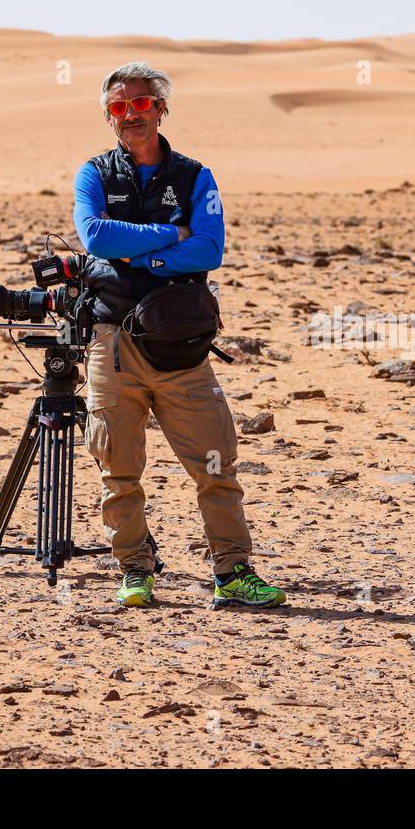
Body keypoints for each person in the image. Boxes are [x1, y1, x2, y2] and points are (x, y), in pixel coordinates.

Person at [72, 61, 286, 609]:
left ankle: (233, 573)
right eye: (119, 107)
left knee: (216, 466)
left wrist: (140, 256)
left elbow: (209, 249)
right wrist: (171, 234)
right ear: (108, 116)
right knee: (118, 470)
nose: (131, 115)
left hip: (181, 348)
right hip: (113, 345)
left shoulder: (194, 176)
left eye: (141, 103)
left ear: (161, 108)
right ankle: (135, 571)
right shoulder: (94, 174)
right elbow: (95, 237)